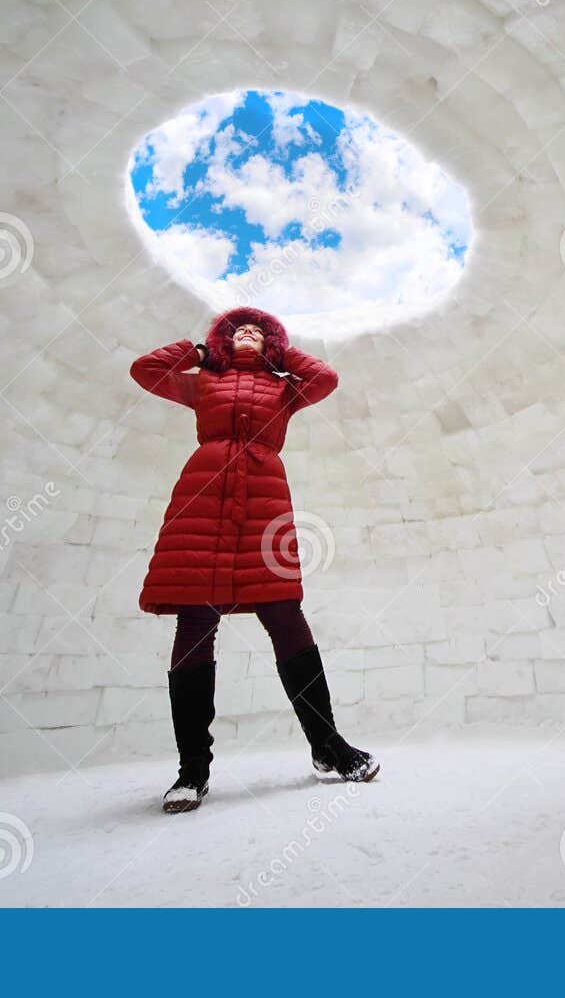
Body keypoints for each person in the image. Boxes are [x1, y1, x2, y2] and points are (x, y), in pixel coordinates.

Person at [130, 305, 379, 813]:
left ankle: (328, 746)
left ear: (272, 344)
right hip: (202, 501)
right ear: (223, 339)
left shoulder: (284, 389)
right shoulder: (202, 382)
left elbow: (326, 377)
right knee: (195, 622)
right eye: (238, 329)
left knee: (286, 615)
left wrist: (283, 354)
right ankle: (191, 771)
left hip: (264, 504)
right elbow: (147, 370)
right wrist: (200, 351)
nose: (249, 332)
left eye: (261, 331)